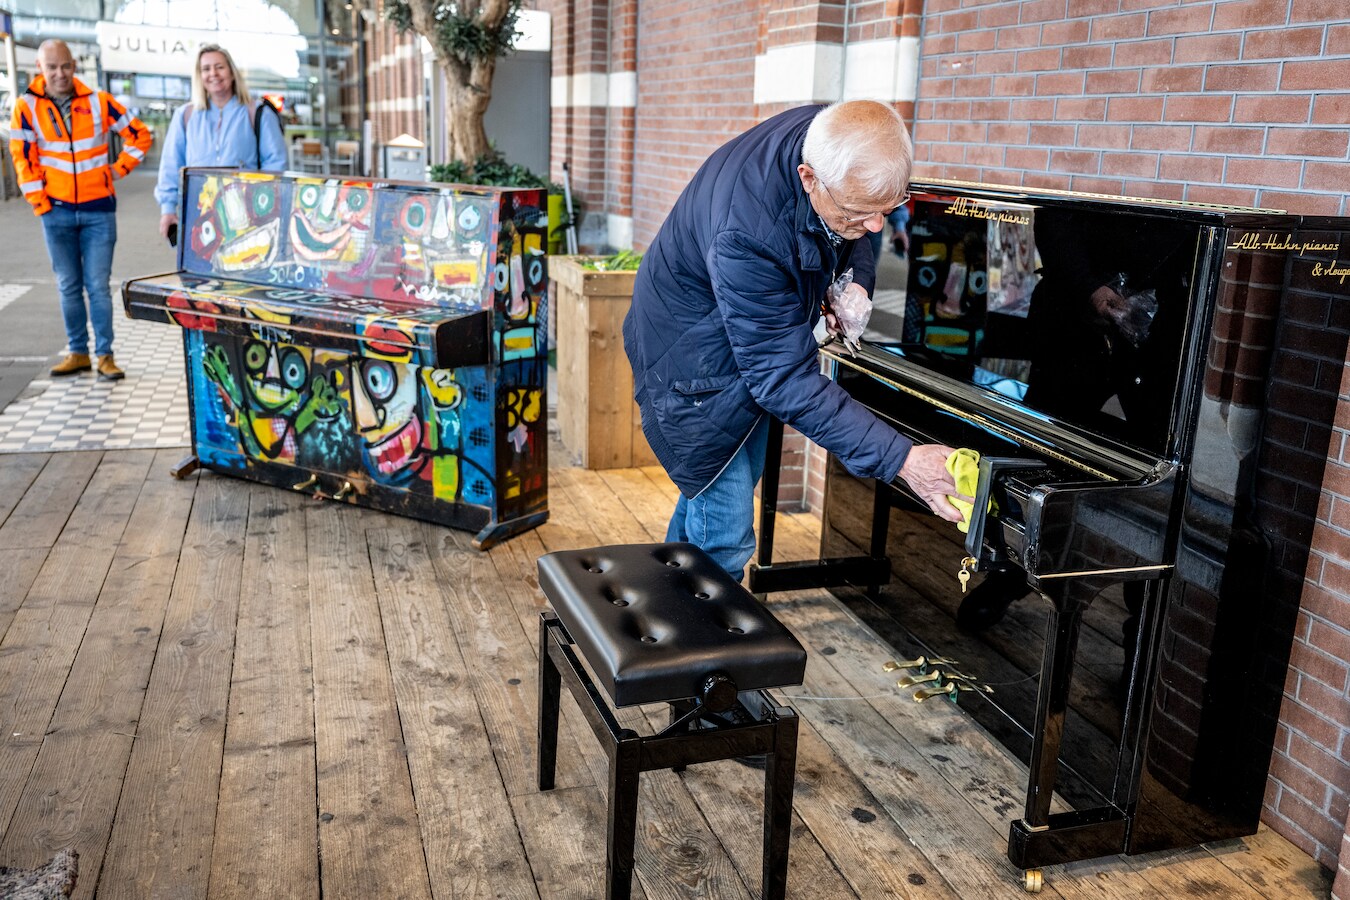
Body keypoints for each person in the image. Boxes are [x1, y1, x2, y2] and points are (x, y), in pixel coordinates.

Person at [623, 100, 965, 581]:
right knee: (725, 532)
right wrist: (902, 459)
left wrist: (857, 281)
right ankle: (704, 650)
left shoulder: (837, 131)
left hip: (739, 340)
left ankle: (668, 609)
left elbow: (852, 225)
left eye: (888, 209)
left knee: (711, 483)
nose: (875, 227)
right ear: (809, 179)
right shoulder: (746, 235)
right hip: (688, 359)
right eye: (861, 213)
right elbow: (783, 378)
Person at [8, 40, 152, 381]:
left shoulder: (99, 102)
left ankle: (105, 356)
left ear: (75, 66)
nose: (60, 74)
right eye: (52, 67)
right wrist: (41, 204)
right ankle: (77, 353)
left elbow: (139, 134)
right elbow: (23, 159)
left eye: (66, 66)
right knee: (68, 286)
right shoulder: (26, 107)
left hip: (98, 211)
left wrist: (117, 170)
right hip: (55, 213)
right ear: (40, 70)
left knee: (98, 287)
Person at [155, 43, 287, 242]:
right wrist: (167, 209)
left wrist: (265, 206)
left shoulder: (258, 113)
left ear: (232, 72)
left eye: (219, 67)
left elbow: (276, 164)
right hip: (198, 217)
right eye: (206, 69)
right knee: (198, 271)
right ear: (199, 76)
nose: (213, 74)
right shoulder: (186, 115)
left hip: (247, 218)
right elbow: (171, 165)